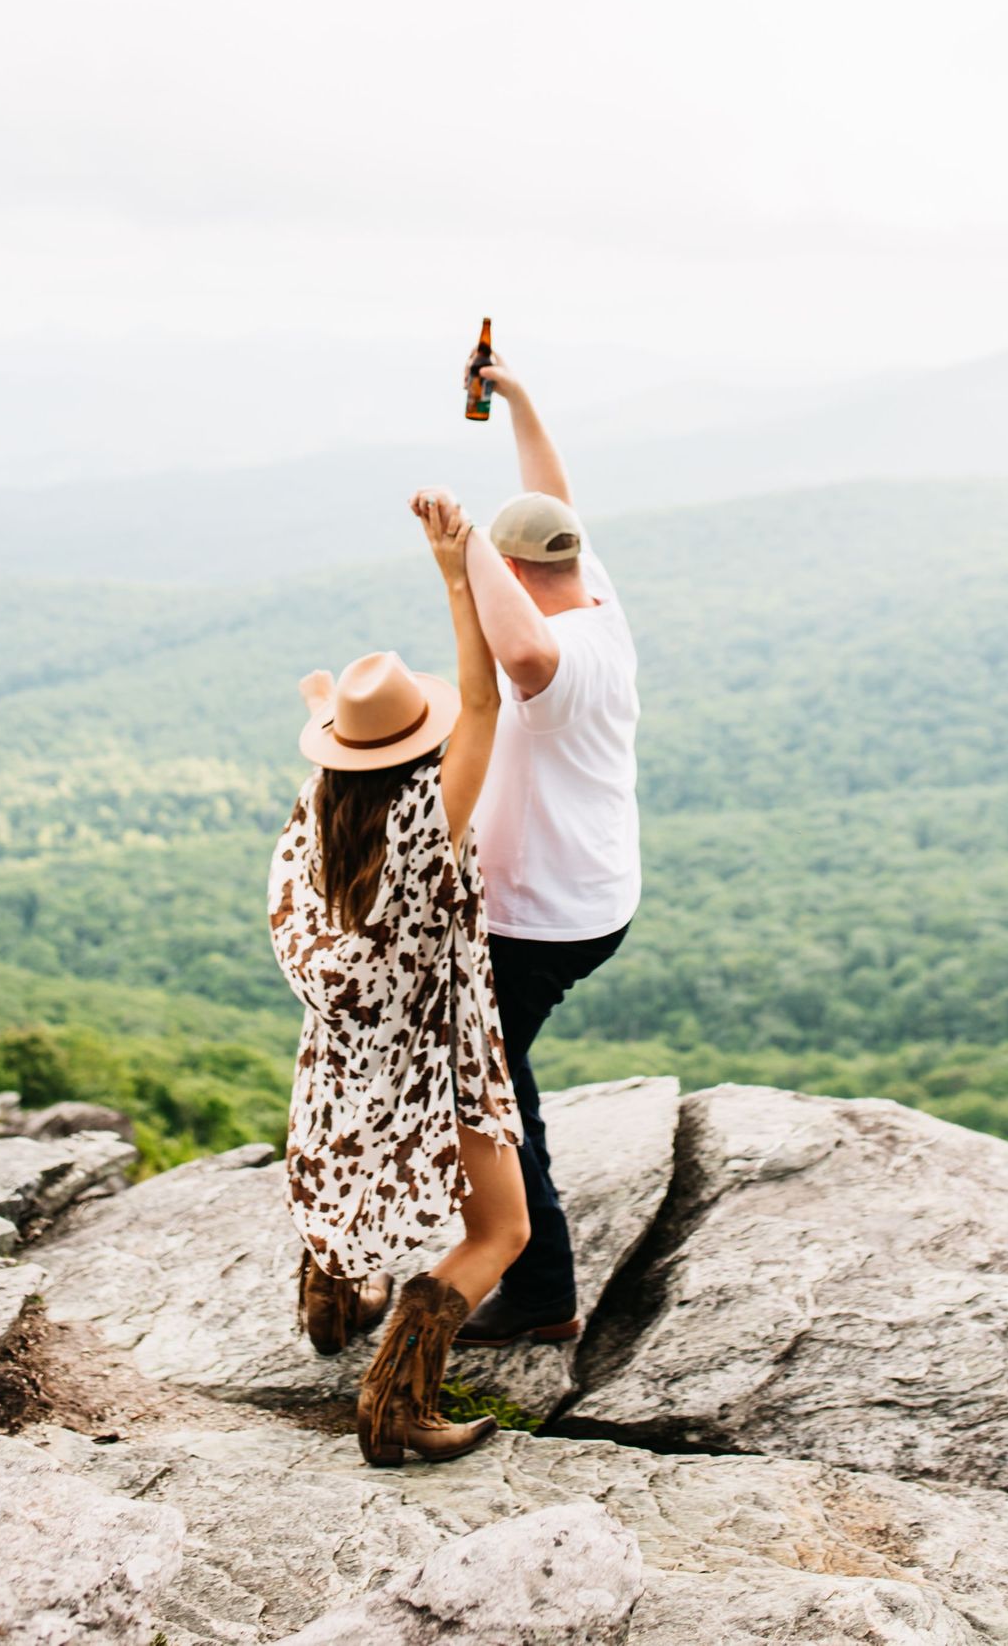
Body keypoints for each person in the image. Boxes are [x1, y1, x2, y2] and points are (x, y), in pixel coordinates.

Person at [267, 494, 528, 1467]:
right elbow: (488, 696)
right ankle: (397, 1398)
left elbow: (343, 754)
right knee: (499, 1230)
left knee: (355, 1174)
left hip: (341, 1068)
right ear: (416, 751)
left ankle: (334, 1295)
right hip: (433, 1061)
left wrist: (325, 706)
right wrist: (456, 570)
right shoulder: (426, 824)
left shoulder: (318, 822)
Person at [415, 346, 641, 1348]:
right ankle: (529, 1260)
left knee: (490, 1078)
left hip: (546, 912)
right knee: (497, 1066)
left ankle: (540, 1282)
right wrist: (517, 395)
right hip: (591, 885)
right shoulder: (593, 590)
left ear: (513, 573)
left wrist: (464, 552)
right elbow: (553, 497)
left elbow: (520, 653)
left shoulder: (562, 665)